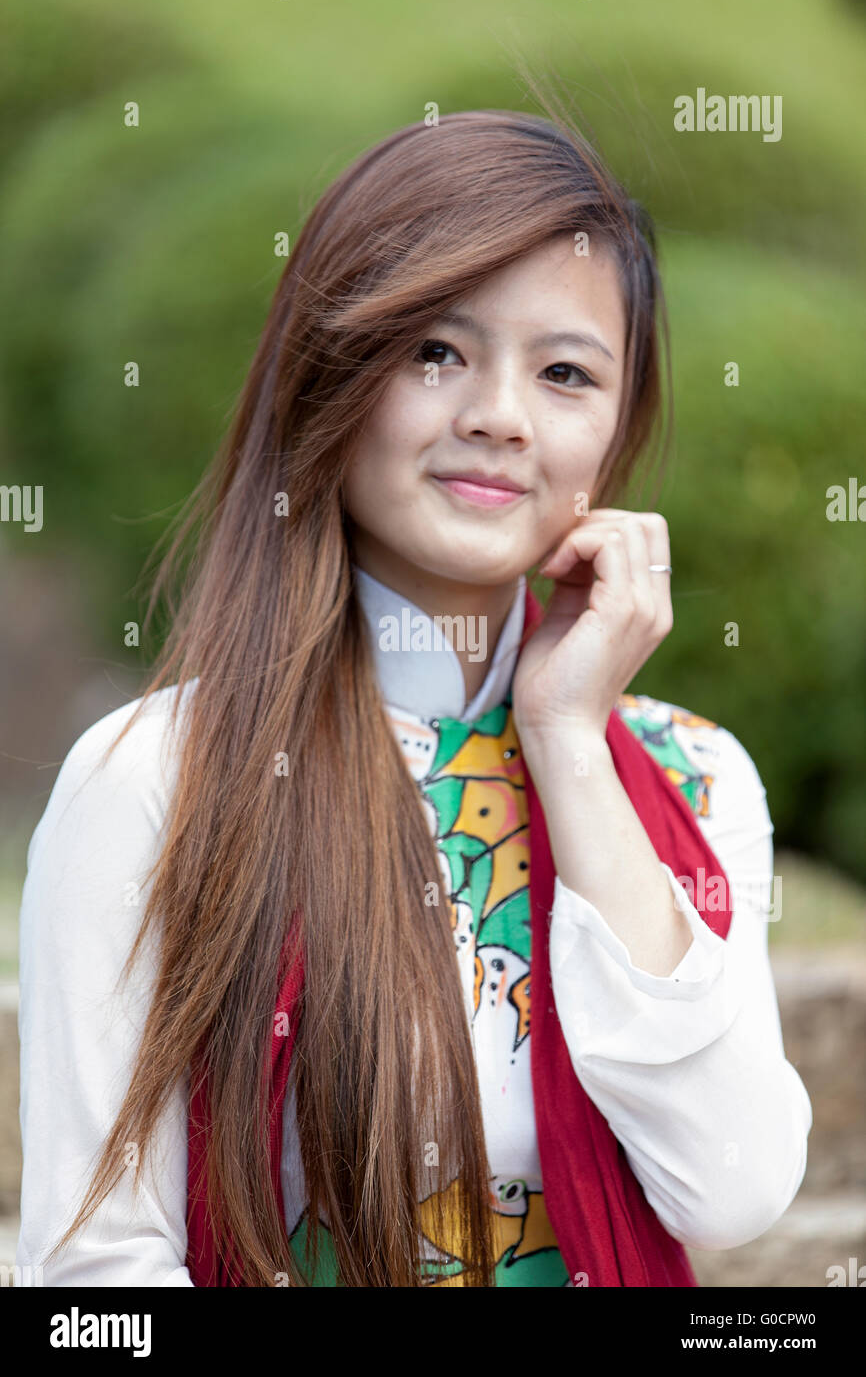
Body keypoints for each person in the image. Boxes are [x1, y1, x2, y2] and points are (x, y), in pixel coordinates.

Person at [15, 106, 812, 1288]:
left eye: (562, 372)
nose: (497, 413)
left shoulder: (693, 777)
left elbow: (732, 1185)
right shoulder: (156, 782)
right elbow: (95, 1276)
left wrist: (565, 740)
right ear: (329, 378)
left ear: (614, 433)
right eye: (434, 351)